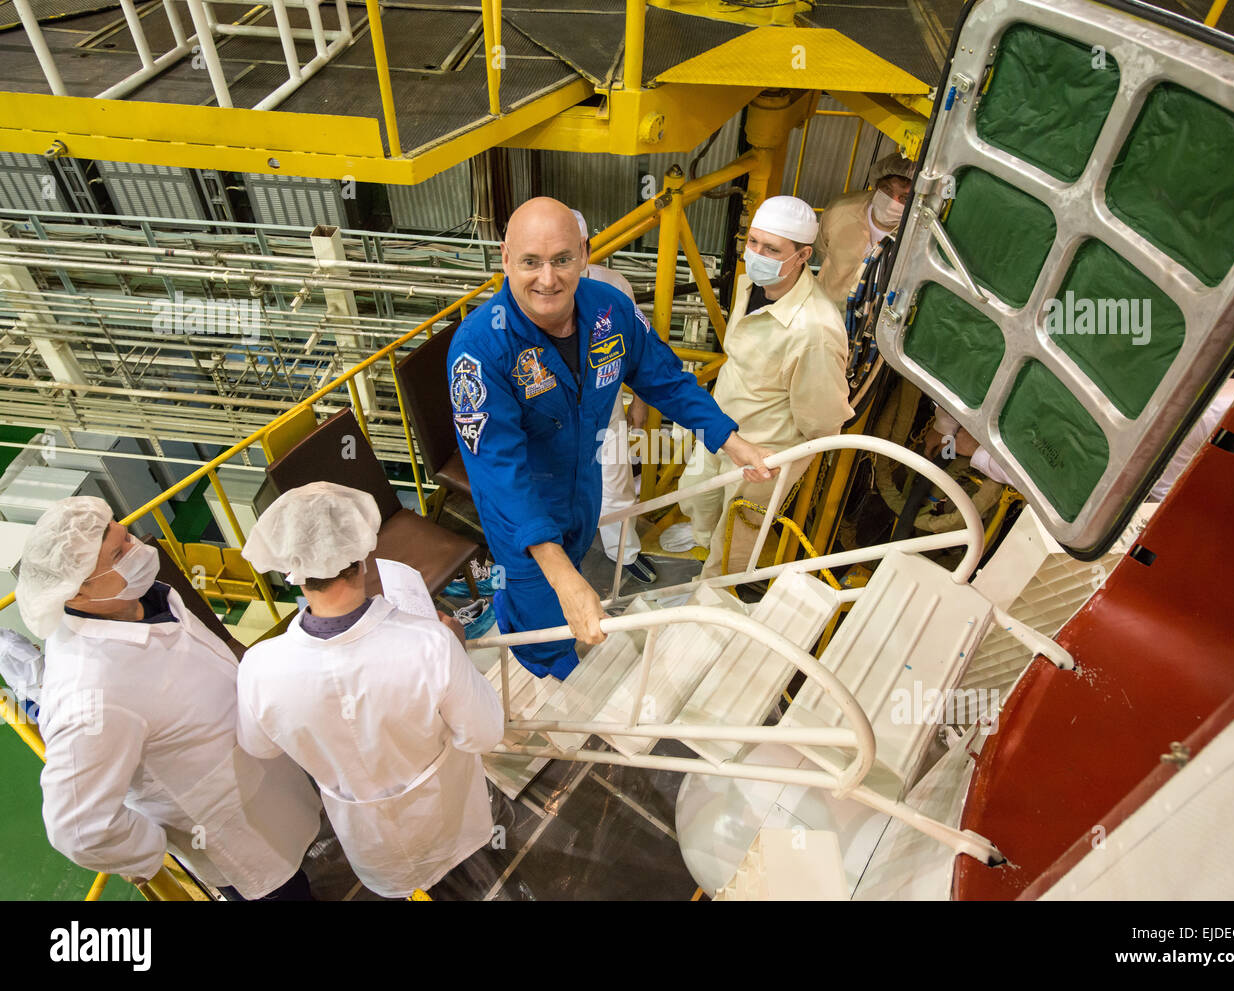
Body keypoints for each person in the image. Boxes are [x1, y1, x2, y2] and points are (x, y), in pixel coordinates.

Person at [448, 196, 773, 679]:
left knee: (568, 577)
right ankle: (553, 676)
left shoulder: (608, 310)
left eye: (562, 259)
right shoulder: (480, 350)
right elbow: (500, 474)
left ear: (583, 253)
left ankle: (522, 605)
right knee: (545, 611)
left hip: (584, 484)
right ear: (504, 259)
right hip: (524, 514)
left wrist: (729, 439)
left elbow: (662, 376)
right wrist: (563, 578)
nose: (548, 279)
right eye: (530, 262)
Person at [15, 497, 321, 900]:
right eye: (118, 554)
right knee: (286, 890)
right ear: (75, 594)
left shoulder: (139, 597)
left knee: (303, 836)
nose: (137, 552)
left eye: (125, 536)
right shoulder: (89, 693)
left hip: (266, 775)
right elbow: (76, 827)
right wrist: (147, 854)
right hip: (234, 827)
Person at [236, 482, 504, 899]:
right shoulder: (430, 643)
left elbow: (261, 747)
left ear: (290, 570)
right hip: (446, 808)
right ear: (362, 555)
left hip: (368, 836)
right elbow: (484, 732)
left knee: (399, 884)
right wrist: (456, 647)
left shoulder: (258, 666)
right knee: (460, 870)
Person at [679, 195, 854, 578]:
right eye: (753, 242)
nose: (756, 254)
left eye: (771, 248)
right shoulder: (753, 284)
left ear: (803, 254)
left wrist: (778, 461)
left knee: (734, 541)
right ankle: (700, 541)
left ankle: (711, 601)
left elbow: (823, 425)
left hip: (761, 456)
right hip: (723, 428)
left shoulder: (815, 331)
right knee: (697, 494)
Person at [925, 379, 1234, 503]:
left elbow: (1079, 485)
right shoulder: (1224, 407)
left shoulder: (1222, 411)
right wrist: (949, 426)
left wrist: (977, 451)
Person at [573, 209, 657, 585]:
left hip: (605, 409)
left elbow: (640, 348)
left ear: (586, 249)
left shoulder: (615, 287)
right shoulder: (523, 296)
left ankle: (624, 552)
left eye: (567, 253)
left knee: (617, 484)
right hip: (548, 416)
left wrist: (640, 398)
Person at [816, 152, 917, 312]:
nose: (892, 203)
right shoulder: (841, 210)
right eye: (888, 190)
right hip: (824, 309)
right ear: (876, 184)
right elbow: (823, 248)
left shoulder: (918, 237)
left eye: (904, 198)